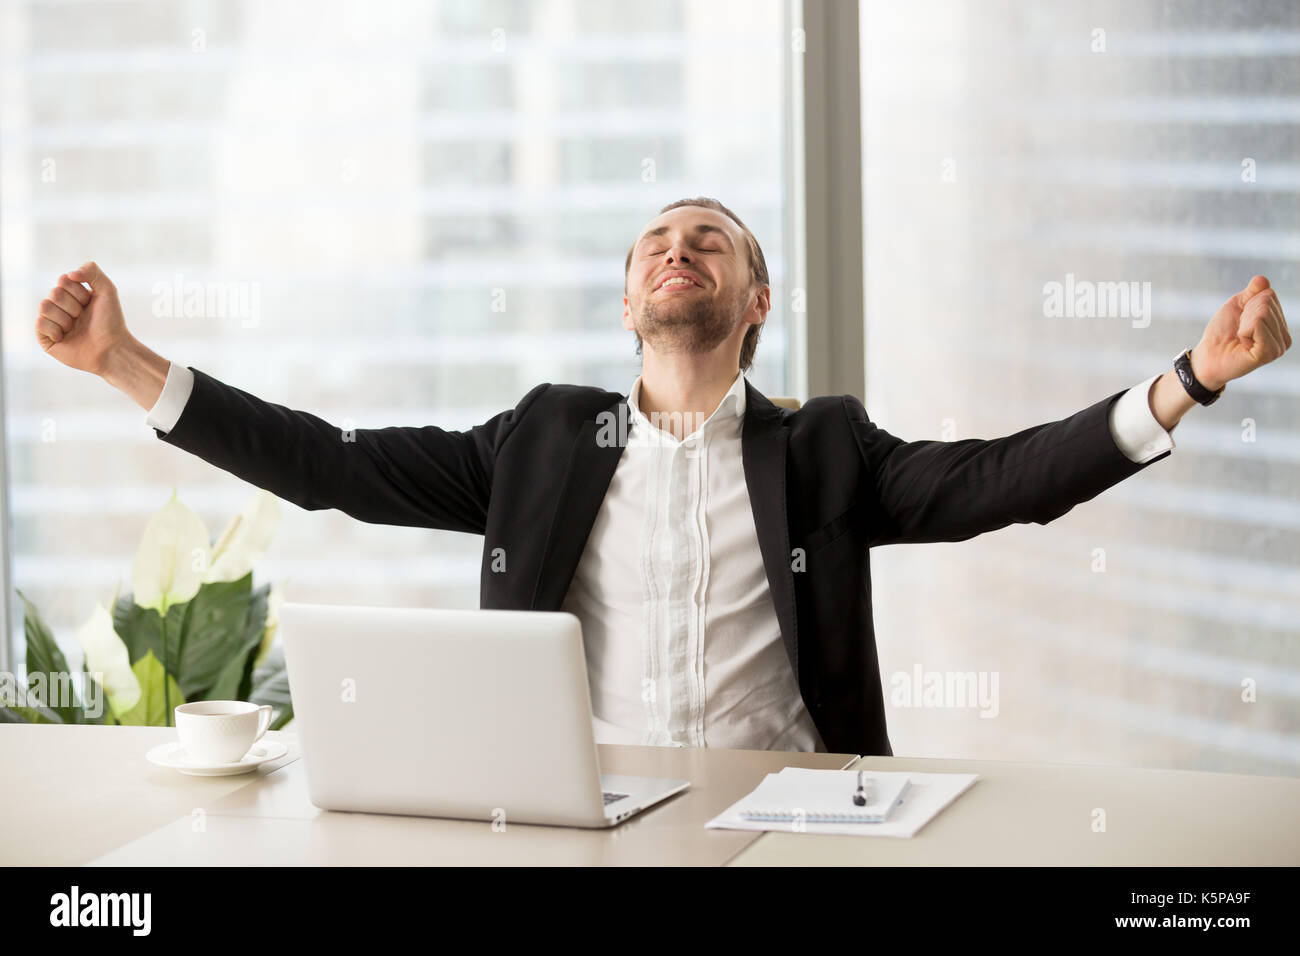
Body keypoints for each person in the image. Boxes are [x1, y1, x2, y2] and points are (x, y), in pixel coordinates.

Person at [34, 197, 1292, 756]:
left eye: (709, 240)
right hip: (594, 820)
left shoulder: (823, 448)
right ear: (629, 303)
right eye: (655, 243)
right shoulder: (538, 439)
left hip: (799, 821)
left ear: (756, 302)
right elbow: (328, 464)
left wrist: (1190, 374)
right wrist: (121, 361)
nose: (676, 250)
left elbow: (1005, 477)